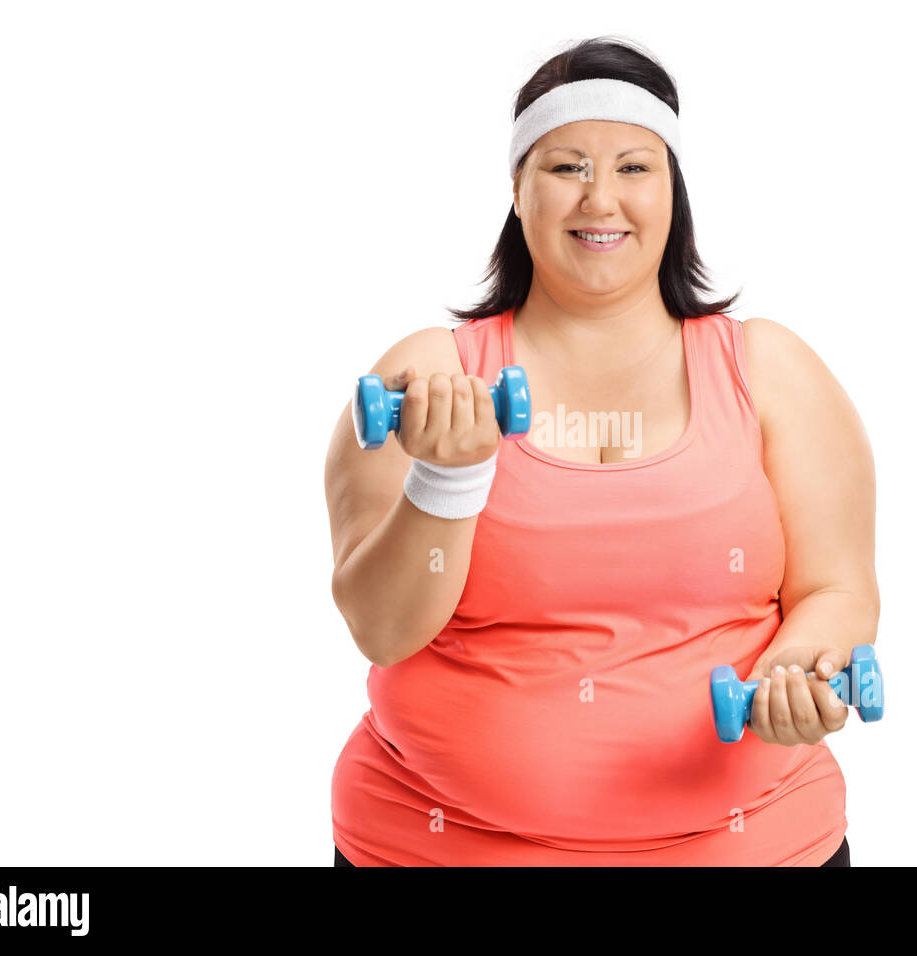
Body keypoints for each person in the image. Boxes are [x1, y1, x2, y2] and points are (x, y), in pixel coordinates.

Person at [324, 35, 879, 866]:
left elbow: (836, 587)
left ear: (672, 191)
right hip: (436, 848)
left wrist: (799, 671)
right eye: (565, 168)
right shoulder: (428, 380)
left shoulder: (769, 370)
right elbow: (382, 628)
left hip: (754, 848)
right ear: (518, 190)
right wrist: (448, 477)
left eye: (632, 167)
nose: (600, 200)